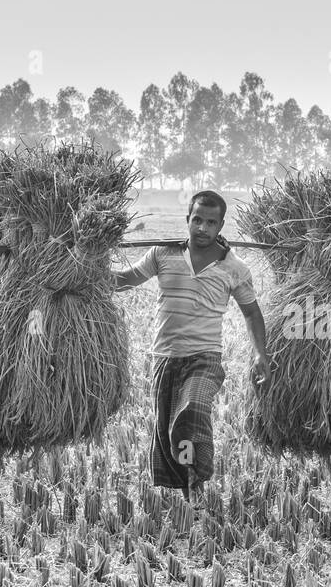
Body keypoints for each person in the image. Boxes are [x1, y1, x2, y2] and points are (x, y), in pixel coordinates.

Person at [111, 190, 271, 509]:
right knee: (169, 426)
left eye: (210, 222)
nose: (202, 228)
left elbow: (252, 313)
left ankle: (197, 478)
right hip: (165, 357)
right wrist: (83, 270)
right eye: (197, 220)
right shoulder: (162, 254)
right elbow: (126, 280)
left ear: (221, 225)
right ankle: (184, 482)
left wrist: (260, 354)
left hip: (205, 357)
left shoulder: (234, 268)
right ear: (187, 219)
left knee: (193, 408)